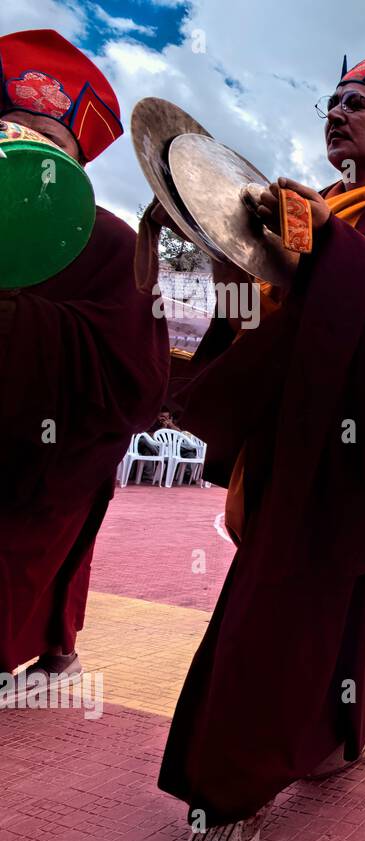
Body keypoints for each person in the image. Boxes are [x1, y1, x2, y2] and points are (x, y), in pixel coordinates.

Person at [157, 24, 365, 841]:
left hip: (354, 459)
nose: (338, 113)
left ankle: (229, 799)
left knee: (275, 618)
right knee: (334, 607)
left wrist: (324, 249)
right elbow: (274, 322)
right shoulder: (322, 209)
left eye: (358, 104)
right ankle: (353, 716)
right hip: (298, 446)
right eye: (332, 102)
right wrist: (235, 256)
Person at [0, 30, 168, 689]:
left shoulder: (106, 241)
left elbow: (137, 376)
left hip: (56, 447)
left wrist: (17, 324)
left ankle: (54, 652)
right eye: (8, 130)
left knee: (33, 550)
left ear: (75, 163)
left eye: (45, 142)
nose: (20, 148)